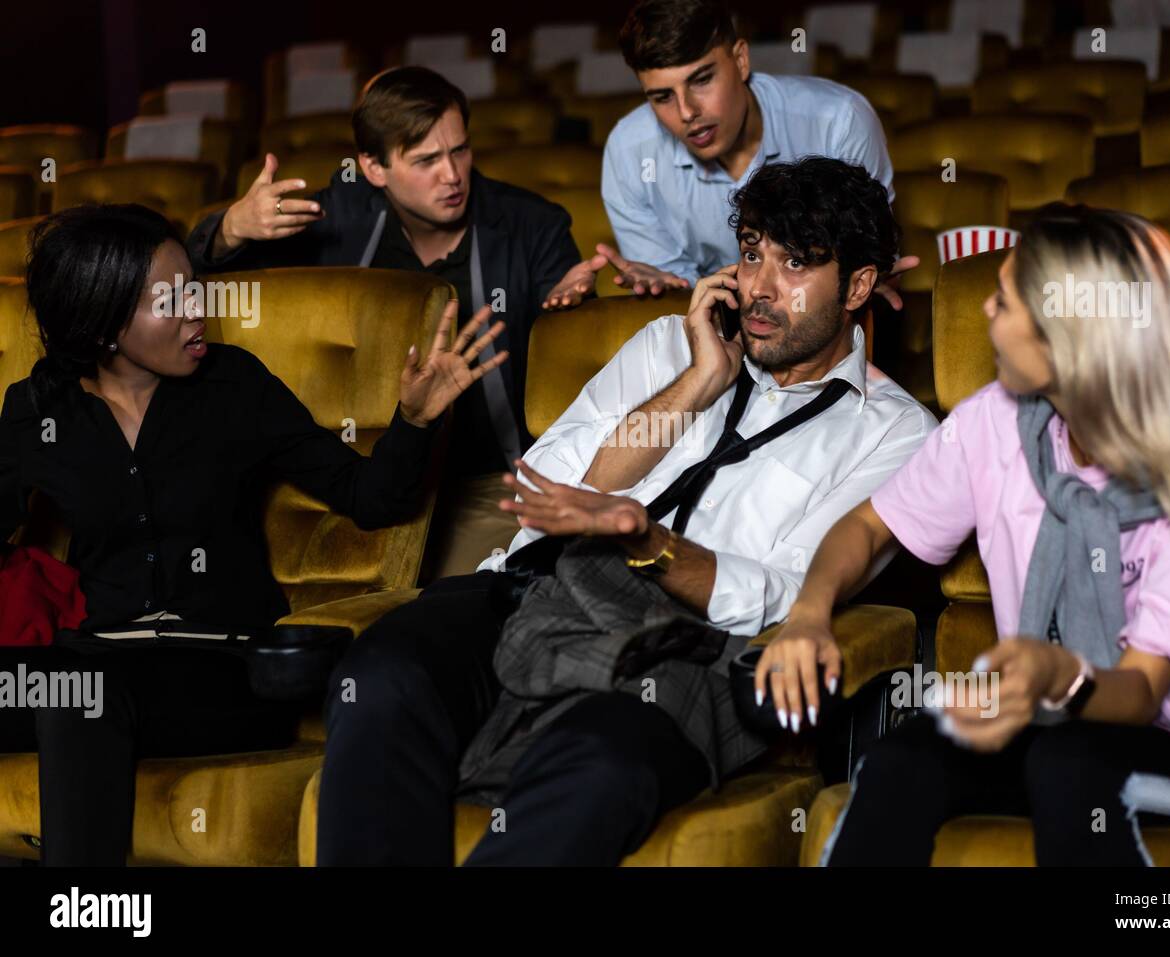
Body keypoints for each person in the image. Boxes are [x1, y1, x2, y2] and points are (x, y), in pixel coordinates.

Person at [316, 157, 936, 866]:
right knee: (384, 672)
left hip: (678, 645)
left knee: (604, 763)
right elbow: (543, 495)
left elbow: (783, 593)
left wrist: (649, 540)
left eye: (796, 264)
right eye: (753, 252)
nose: (760, 287)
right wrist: (696, 386)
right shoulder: (667, 347)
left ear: (858, 284)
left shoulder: (897, 433)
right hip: (528, 592)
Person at [757, 203, 1170, 866]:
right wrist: (809, 612)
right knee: (905, 756)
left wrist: (1060, 676)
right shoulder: (994, 421)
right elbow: (870, 526)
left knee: (1072, 764)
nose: (984, 311)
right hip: (1046, 727)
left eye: (1006, 301)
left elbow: (1141, 693)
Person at [0, 203, 505, 865]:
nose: (195, 310)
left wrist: (413, 421)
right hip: (94, 658)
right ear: (101, 323)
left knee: (81, 689)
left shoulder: (233, 387)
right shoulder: (40, 409)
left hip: (222, 671)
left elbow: (369, 498)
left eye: (194, 287)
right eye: (168, 299)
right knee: (78, 680)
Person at [187, 66, 598, 579]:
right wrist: (229, 229)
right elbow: (192, 285)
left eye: (460, 151)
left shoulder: (531, 225)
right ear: (373, 168)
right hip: (360, 474)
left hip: (490, 479)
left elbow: (571, 349)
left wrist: (569, 307)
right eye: (426, 160)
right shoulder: (338, 218)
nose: (452, 176)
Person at [596, 0, 909, 304]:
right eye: (663, 97)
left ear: (741, 60)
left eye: (702, 80)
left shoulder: (839, 121)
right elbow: (678, 299)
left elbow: (863, 268)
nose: (687, 111)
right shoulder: (629, 153)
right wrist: (667, 292)